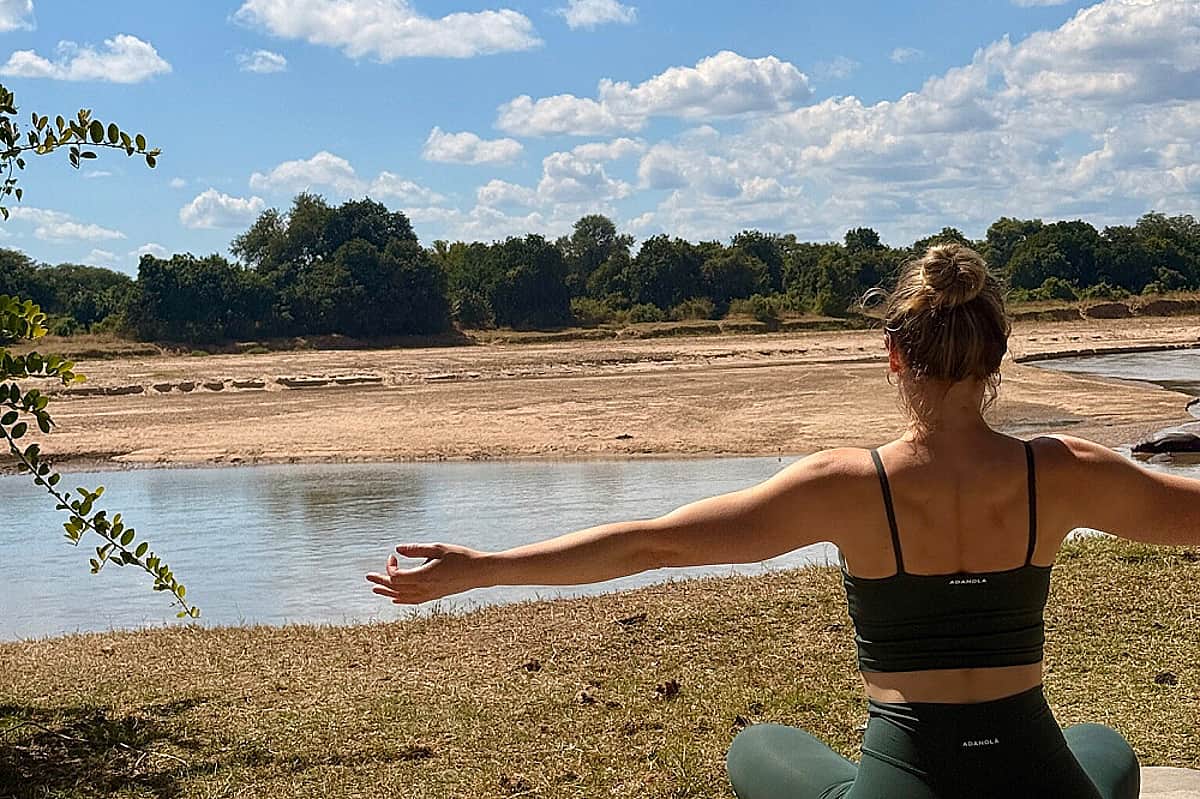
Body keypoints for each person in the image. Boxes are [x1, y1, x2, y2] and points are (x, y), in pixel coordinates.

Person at [366, 243, 1200, 798]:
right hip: (1033, 776)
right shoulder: (1062, 470)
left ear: (894, 354)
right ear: (998, 354)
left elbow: (654, 540)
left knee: (756, 745)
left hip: (911, 772)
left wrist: (483, 566)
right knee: (1103, 747)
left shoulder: (845, 485)